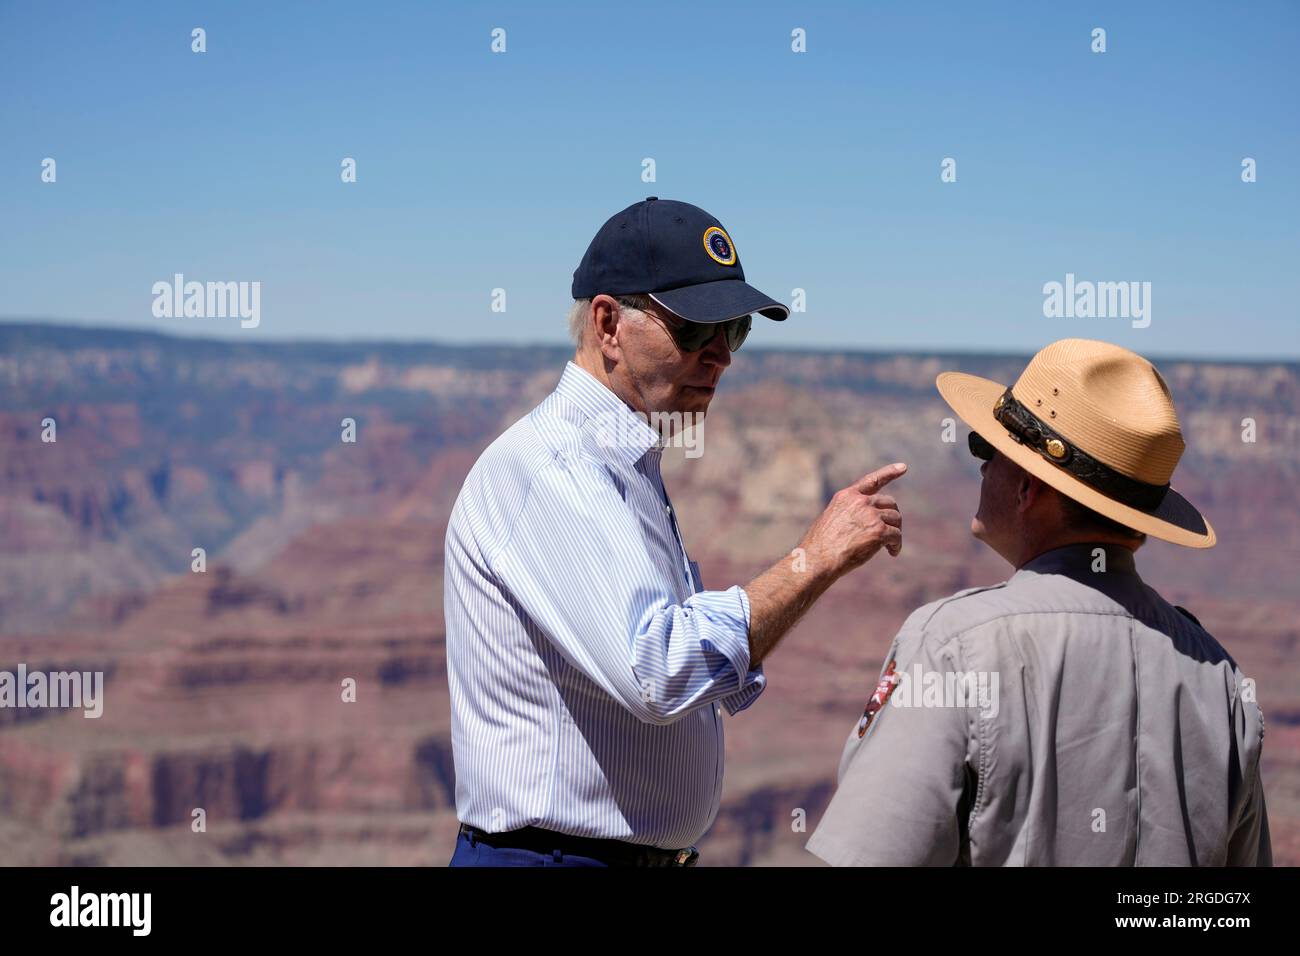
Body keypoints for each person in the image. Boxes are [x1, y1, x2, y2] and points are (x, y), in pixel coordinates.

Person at [444, 197, 907, 866]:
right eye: (696, 330)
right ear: (608, 323)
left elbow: (692, 672)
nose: (720, 357)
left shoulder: (622, 461)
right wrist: (815, 559)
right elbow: (659, 672)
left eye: (736, 331)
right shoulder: (554, 468)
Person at [806, 338, 1271, 866]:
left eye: (987, 448)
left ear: (1028, 486)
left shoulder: (953, 646)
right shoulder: (1222, 680)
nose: (980, 468)